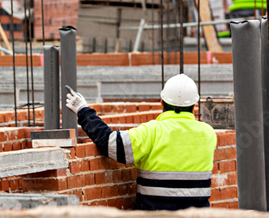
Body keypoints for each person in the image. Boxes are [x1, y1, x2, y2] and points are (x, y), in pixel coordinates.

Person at [65, 73, 217, 210]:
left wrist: (83, 110)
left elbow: (110, 143)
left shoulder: (152, 132)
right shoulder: (209, 134)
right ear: (194, 105)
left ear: (161, 102)